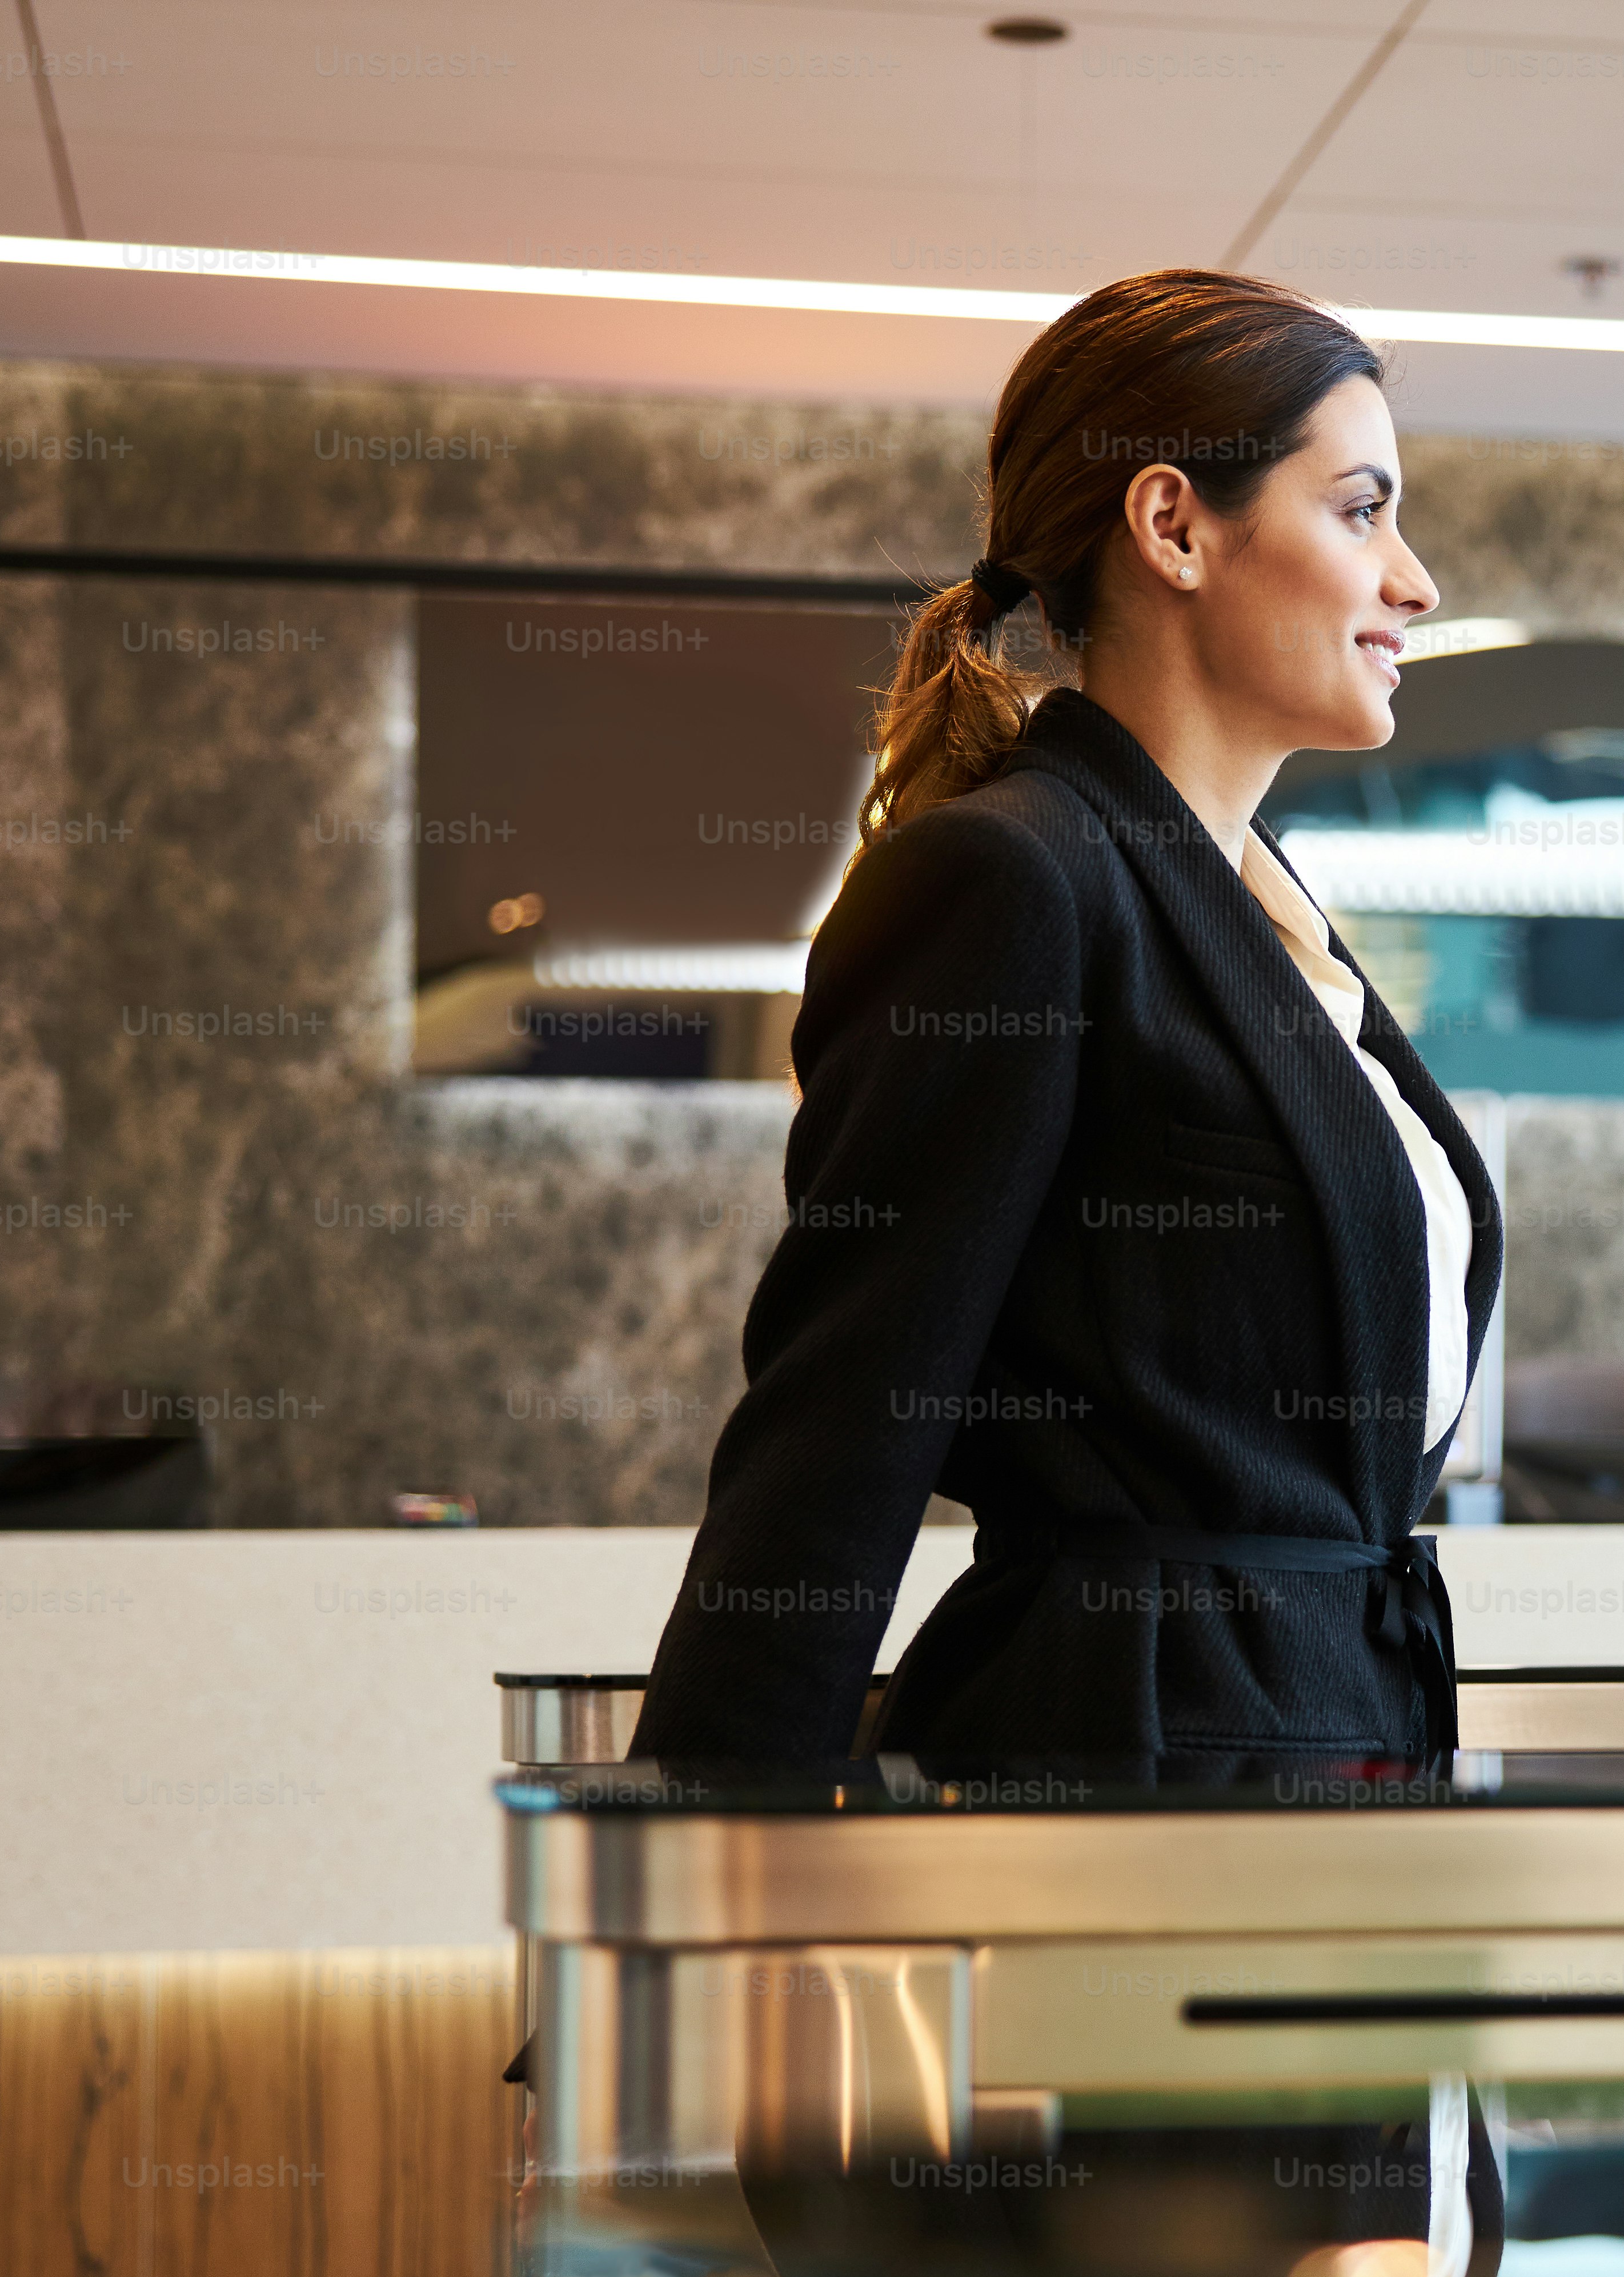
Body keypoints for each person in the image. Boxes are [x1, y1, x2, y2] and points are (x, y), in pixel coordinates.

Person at [632, 270, 1498, 1764]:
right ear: (1170, 526)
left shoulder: (1269, 914)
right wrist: (708, 1904)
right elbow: (843, 1428)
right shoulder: (1012, 880)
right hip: (1127, 1774)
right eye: (1363, 511)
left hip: (1338, 1752)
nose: (1412, 582)